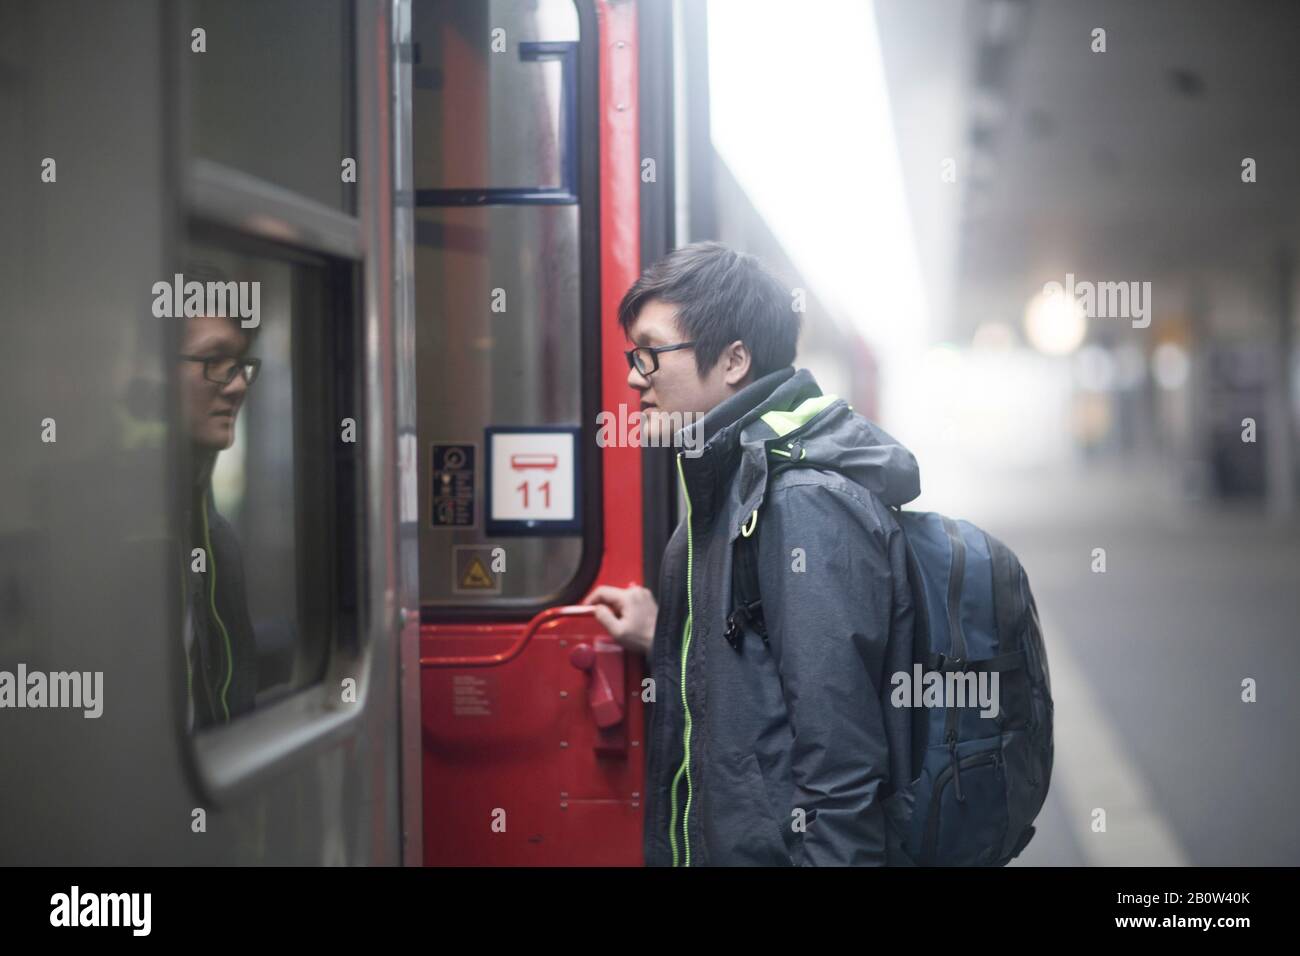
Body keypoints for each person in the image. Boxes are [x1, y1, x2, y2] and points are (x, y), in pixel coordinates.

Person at [584, 241, 920, 866]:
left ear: (734, 359)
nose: (633, 376)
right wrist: (667, 634)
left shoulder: (802, 504)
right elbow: (763, 663)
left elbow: (842, 764)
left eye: (651, 354)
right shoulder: (726, 494)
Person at [177, 274, 262, 731]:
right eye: (213, 361)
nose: (237, 386)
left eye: (242, 365)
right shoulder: (104, 528)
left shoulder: (213, 538)